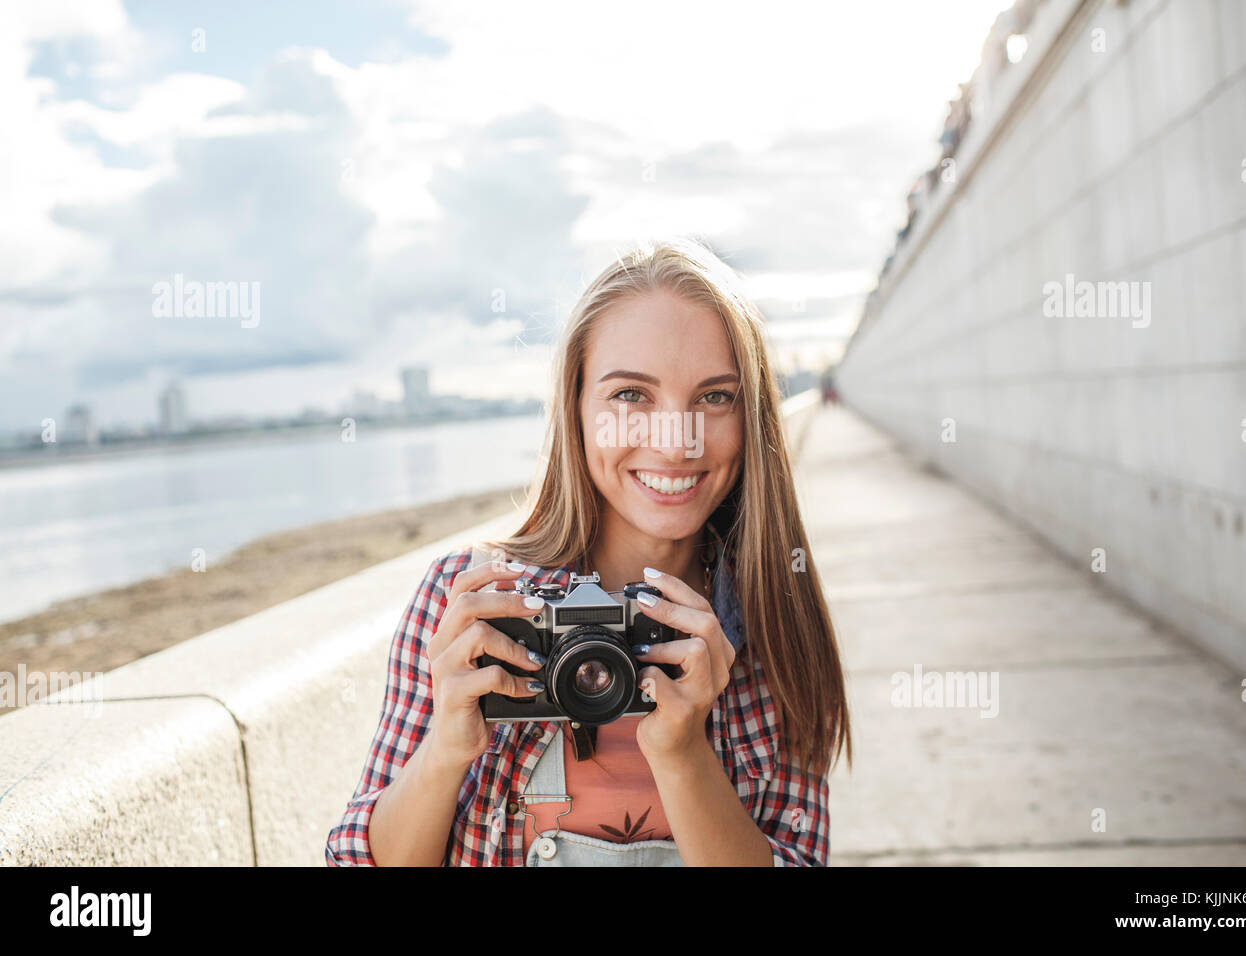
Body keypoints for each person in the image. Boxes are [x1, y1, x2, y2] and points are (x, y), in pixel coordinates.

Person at [326, 237, 852, 866]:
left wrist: (684, 754)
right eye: (631, 395)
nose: (675, 441)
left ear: (753, 417)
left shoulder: (777, 633)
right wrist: (446, 748)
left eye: (716, 397)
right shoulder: (473, 601)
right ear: (574, 409)